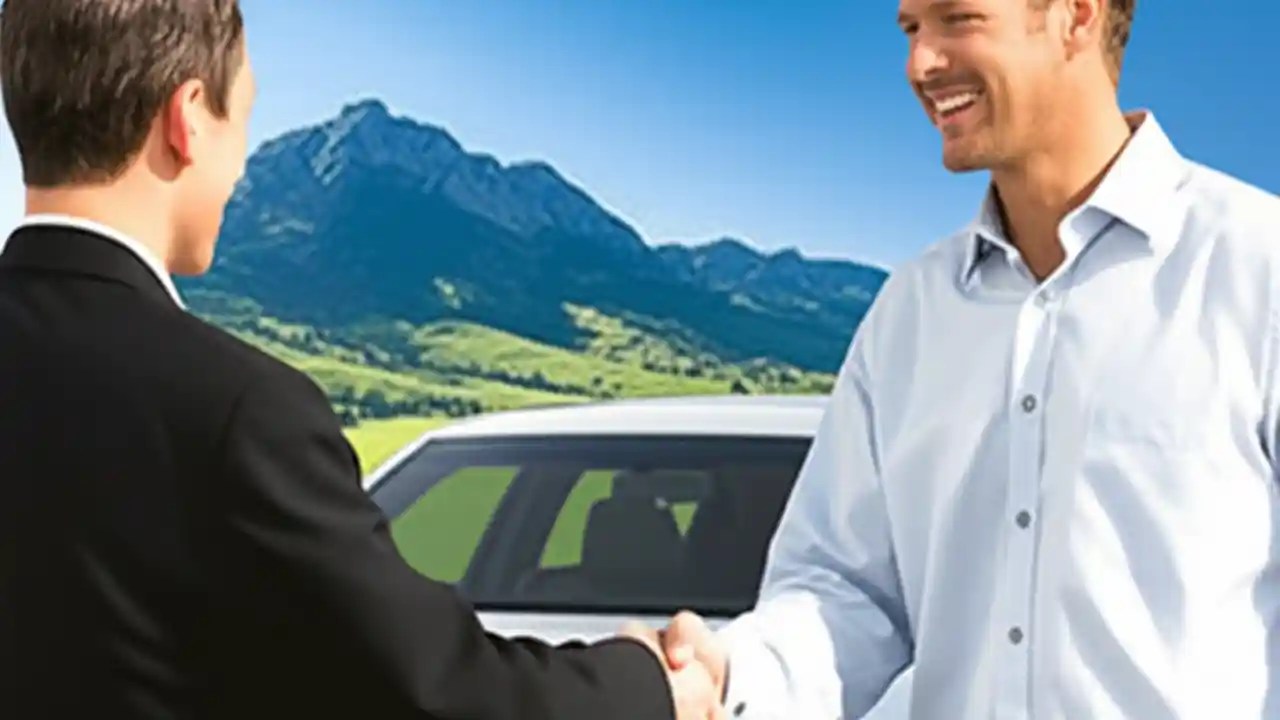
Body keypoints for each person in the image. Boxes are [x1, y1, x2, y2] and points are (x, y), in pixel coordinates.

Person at [0, 1, 724, 718]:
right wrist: (649, 686)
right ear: (187, 117)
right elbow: (438, 692)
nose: (241, 164)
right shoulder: (235, 410)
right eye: (241, 119)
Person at [634, 0, 1280, 717]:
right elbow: (850, 590)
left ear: (1077, 15)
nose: (920, 63)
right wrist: (730, 678)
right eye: (911, 28)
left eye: (958, 19)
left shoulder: (1259, 271)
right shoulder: (909, 313)